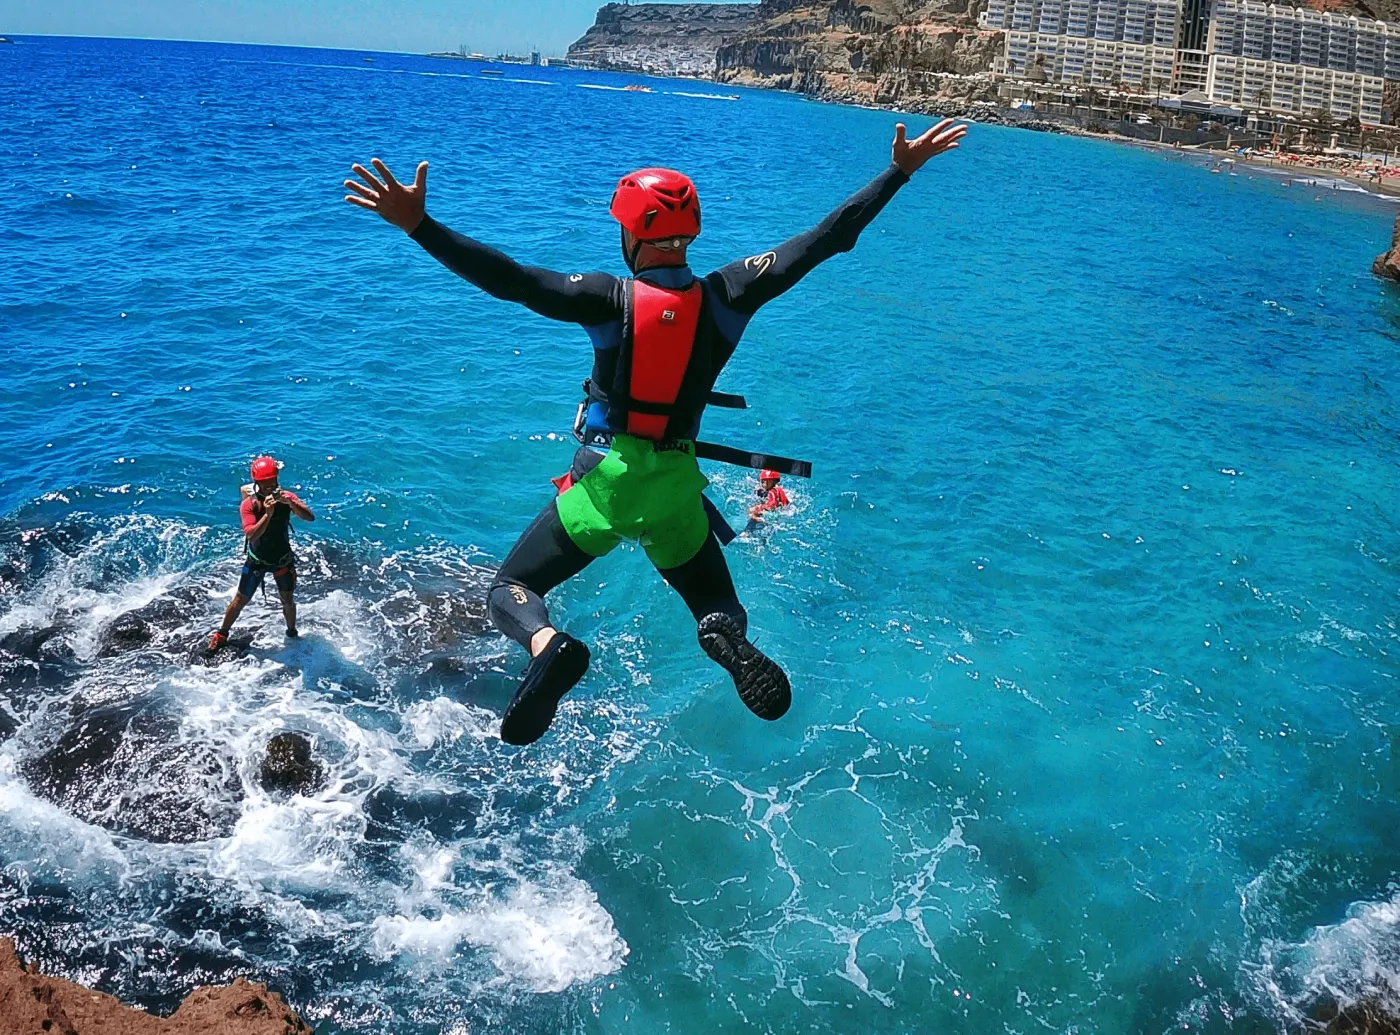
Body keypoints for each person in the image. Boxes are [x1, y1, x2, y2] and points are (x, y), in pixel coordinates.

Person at [344, 118, 966, 745]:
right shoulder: (731, 292)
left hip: (607, 484)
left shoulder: (605, 297)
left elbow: (511, 280)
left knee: (512, 587)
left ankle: (548, 645)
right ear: (687, 231)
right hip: (676, 488)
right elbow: (827, 238)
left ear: (630, 235)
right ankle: (725, 642)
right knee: (717, 609)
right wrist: (898, 172)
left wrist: (420, 226)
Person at [208, 456, 315, 652]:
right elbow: (251, 534)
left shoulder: (287, 498)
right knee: (240, 599)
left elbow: (309, 517)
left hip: (282, 559)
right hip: (257, 559)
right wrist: (268, 514)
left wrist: (290, 503)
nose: (269, 488)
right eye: (264, 485)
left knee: (287, 600)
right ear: (256, 484)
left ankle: (292, 632)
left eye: (272, 484)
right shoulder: (250, 505)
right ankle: (221, 633)